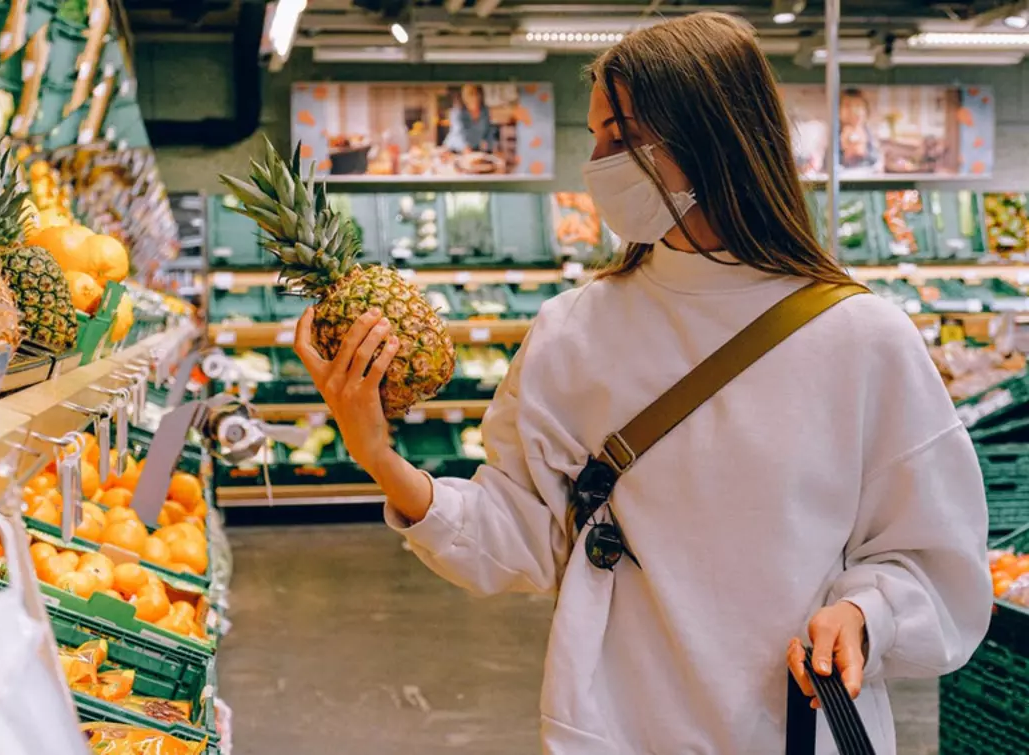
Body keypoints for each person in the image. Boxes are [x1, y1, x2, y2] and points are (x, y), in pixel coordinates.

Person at [293, 12, 991, 754]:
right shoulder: (576, 330)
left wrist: (867, 614)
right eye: (594, 138)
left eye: (621, 139)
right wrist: (380, 457)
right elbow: (524, 534)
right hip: (613, 733)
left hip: (796, 730)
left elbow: (935, 560)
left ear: (712, 139)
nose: (597, 165)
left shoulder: (861, 339)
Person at [442, 83, 499, 153]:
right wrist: (465, 147)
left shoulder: (485, 111)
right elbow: (458, 133)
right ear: (465, 98)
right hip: (455, 149)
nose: (475, 98)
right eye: (471, 95)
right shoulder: (457, 112)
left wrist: (491, 144)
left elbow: (488, 131)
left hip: (474, 149)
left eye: (477, 95)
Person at [837, 88, 880, 171]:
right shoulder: (835, 134)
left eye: (858, 106)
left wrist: (864, 153)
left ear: (866, 112)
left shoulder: (868, 133)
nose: (853, 111)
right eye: (847, 106)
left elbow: (875, 157)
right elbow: (828, 160)